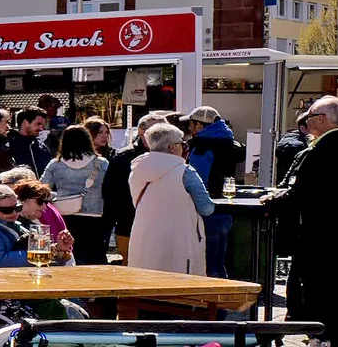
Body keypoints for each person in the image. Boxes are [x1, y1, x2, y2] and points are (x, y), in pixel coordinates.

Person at [271, 95, 338, 347]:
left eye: (310, 116)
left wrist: (276, 200)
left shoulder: (321, 150)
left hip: (320, 235)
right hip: (332, 234)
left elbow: (302, 192)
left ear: (323, 120)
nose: (305, 121)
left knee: (320, 292)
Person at [125, 121, 211, 275]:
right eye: (182, 142)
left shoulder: (136, 171)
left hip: (145, 236)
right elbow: (206, 208)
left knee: (147, 283)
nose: (184, 146)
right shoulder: (185, 172)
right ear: (172, 147)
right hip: (179, 238)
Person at [183, 105, 240, 278]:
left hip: (206, 210)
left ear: (199, 125)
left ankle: (209, 304)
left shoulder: (201, 146)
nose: (189, 129)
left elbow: (196, 181)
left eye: (191, 125)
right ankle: (221, 302)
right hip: (226, 209)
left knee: (207, 265)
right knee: (220, 262)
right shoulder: (230, 142)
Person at [41, 125, 110, 265]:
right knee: (94, 258)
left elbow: (42, 188)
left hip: (64, 215)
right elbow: (108, 189)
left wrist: (58, 195)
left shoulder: (55, 164)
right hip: (95, 215)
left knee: (69, 255)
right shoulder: (101, 163)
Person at [102, 111, 165, 261]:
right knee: (132, 266)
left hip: (162, 224)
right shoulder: (123, 157)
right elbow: (110, 194)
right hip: (129, 223)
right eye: (159, 131)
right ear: (142, 132)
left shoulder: (172, 156)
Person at [7, 107, 51, 173]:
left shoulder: (42, 147)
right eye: (38, 124)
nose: (41, 129)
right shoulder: (9, 146)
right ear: (26, 122)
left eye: (42, 125)